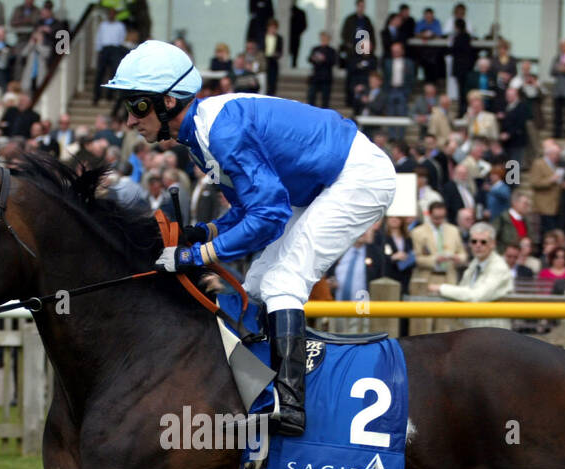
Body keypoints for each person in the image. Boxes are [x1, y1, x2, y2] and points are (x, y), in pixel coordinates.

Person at [102, 40, 396, 436]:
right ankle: (254, 385)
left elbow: (270, 216)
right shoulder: (199, 138)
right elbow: (248, 209)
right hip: (316, 187)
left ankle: (291, 406)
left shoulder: (219, 131)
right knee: (255, 286)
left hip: (356, 176)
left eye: (136, 105)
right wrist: (203, 232)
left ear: (169, 101)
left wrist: (197, 256)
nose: (130, 120)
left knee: (283, 282)